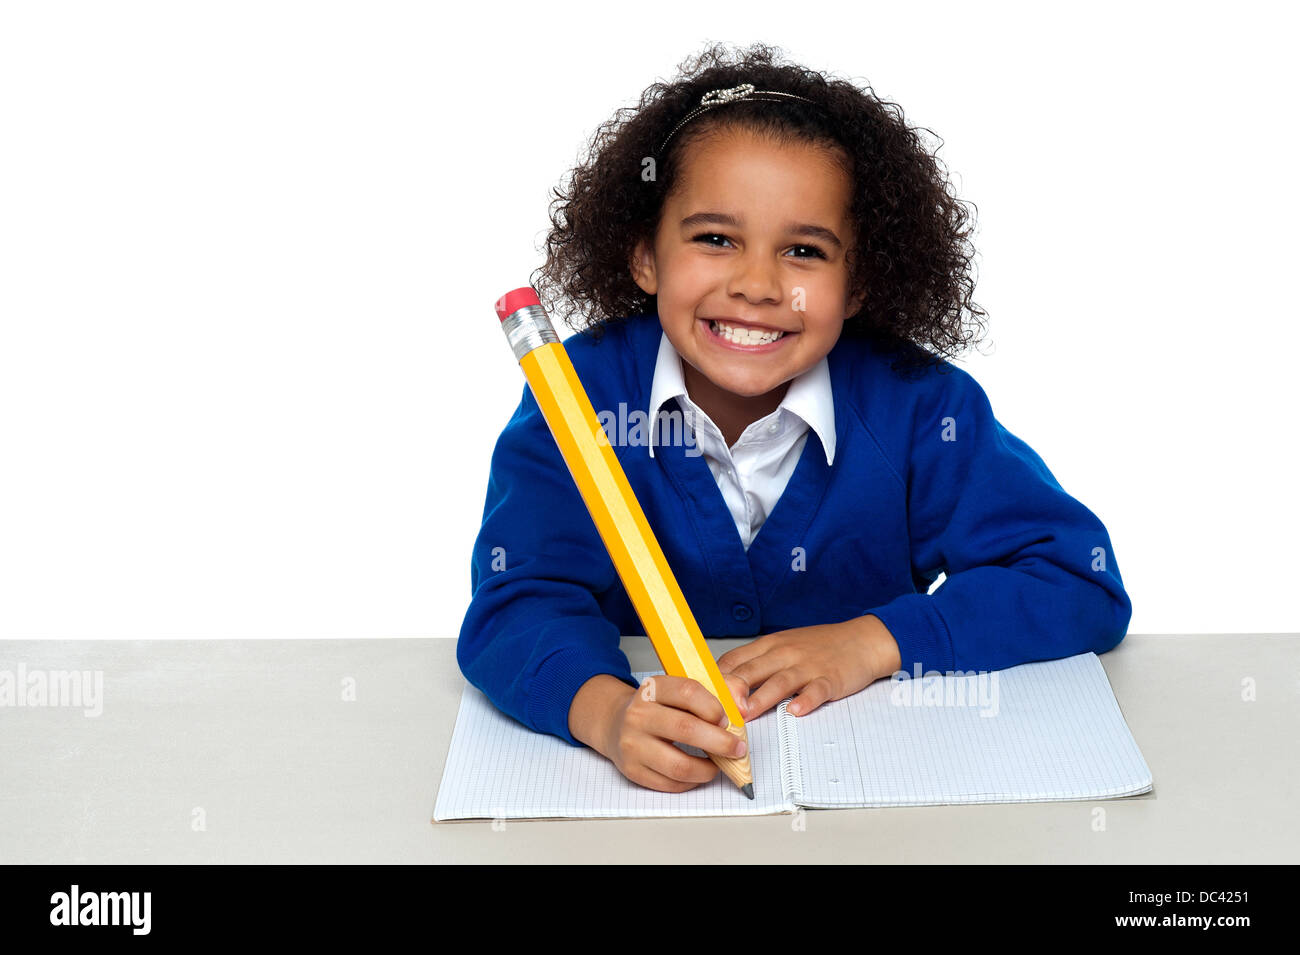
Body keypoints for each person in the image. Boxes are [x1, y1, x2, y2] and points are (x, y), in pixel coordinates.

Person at [458, 42, 1132, 794]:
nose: (757, 285)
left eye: (804, 250)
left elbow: (1076, 578)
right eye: (716, 239)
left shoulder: (920, 406)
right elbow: (517, 600)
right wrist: (607, 712)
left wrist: (877, 641)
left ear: (858, 283)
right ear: (645, 255)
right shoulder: (575, 399)